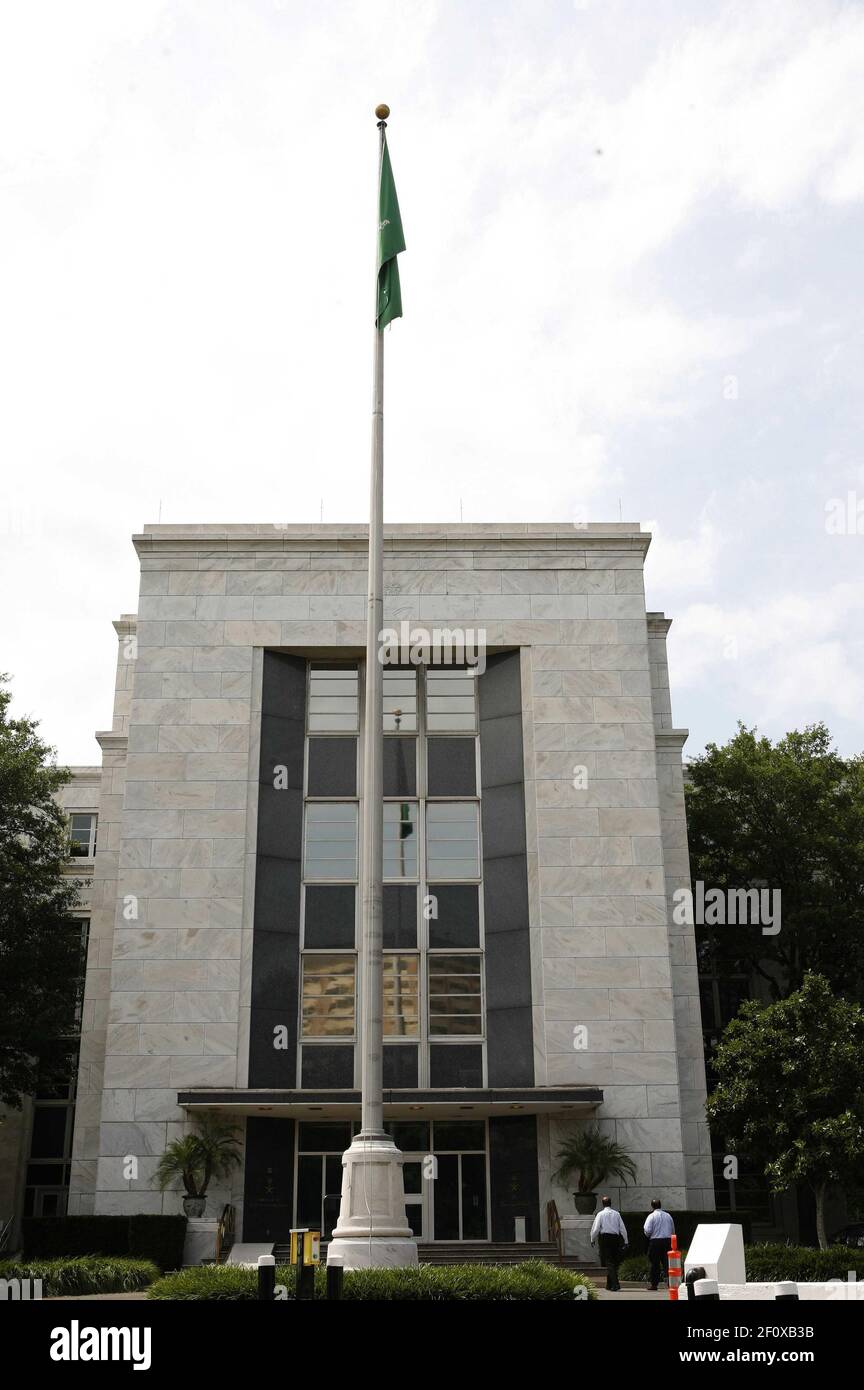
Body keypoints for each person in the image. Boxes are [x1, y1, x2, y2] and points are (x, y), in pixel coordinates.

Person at [590, 1195, 628, 1291]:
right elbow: (622, 1228)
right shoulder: (617, 1214)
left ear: (602, 1204)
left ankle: (615, 1284)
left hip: (605, 1239)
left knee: (608, 1262)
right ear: (610, 1203)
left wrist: (592, 1239)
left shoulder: (600, 1214)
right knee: (613, 1261)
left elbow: (596, 1228)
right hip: (615, 1238)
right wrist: (626, 1241)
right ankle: (609, 1284)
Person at [643, 1199, 675, 1291]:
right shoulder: (668, 1216)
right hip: (667, 1241)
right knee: (667, 1263)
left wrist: (649, 1235)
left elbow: (647, 1231)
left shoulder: (651, 1216)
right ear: (660, 1205)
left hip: (655, 1242)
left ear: (652, 1206)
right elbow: (673, 1230)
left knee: (654, 1264)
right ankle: (671, 1284)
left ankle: (654, 1284)